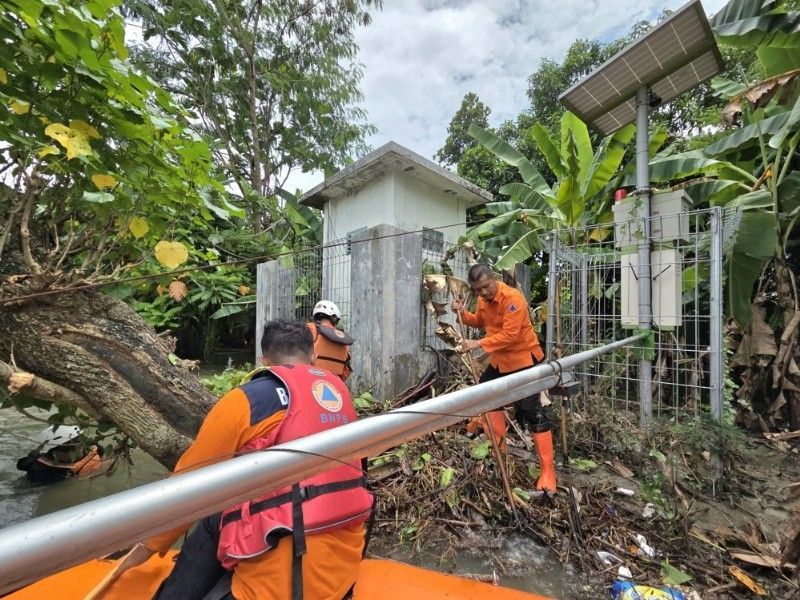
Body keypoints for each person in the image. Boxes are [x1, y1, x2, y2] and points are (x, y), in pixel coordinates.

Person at [114, 319, 373, 600]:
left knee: (214, 512)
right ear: (312, 355)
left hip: (285, 583)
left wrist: (149, 545)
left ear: (263, 359)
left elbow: (186, 487)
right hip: (342, 573)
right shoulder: (340, 395)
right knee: (222, 513)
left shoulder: (246, 401)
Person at [451, 264, 556, 494]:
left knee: (531, 410)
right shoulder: (482, 299)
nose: (483, 293)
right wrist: (462, 314)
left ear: (494, 279)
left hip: (523, 361)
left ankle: (548, 471)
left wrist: (477, 344)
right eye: (478, 290)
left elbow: (511, 336)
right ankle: (501, 454)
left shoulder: (513, 298)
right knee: (487, 398)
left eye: (486, 287)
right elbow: (479, 321)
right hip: (500, 361)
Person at [16, 425, 108, 484]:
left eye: (78, 443)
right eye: (69, 448)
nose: (79, 449)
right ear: (55, 454)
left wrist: (97, 448)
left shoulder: (81, 446)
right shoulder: (43, 473)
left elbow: (98, 447)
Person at [307, 300, 354, 381]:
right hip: (333, 382)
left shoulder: (310, 328)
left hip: (311, 377)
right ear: (334, 319)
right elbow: (346, 371)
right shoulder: (342, 338)